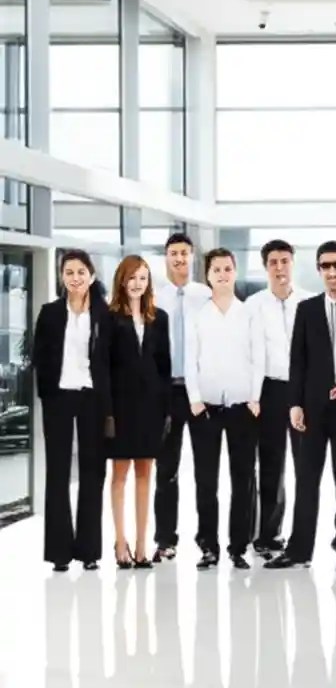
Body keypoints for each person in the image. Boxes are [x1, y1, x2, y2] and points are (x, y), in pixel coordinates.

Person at [266, 241, 336, 569]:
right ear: (318, 270)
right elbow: (297, 361)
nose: (332, 272)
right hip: (313, 409)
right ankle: (299, 549)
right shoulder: (308, 309)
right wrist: (295, 404)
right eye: (325, 266)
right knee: (306, 480)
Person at [185, 248, 265, 570]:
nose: (222, 274)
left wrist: (255, 397)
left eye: (227, 269)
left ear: (235, 272)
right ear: (207, 275)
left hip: (242, 406)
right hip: (205, 406)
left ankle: (238, 547)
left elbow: (258, 358)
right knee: (206, 480)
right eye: (216, 269)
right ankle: (208, 546)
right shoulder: (198, 315)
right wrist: (194, 398)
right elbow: (190, 360)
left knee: (243, 479)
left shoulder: (248, 314)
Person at [34, 249, 112, 572]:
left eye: (81, 272)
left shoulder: (105, 313)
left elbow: (112, 360)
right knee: (57, 472)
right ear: (62, 277)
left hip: (93, 399)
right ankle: (59, 553)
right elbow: (39, 357)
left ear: (91, 275)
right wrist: (47, 395)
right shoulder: (50, 313)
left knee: (93, 472)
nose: (75, 278)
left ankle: (89, 551)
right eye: (69, 272)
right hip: (59, 398)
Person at [104, 256, 172, 570]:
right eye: (132, 277)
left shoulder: (159, 318)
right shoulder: (108, 318)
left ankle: (142, 544)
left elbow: (164, 366)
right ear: (122, 280)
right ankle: (121, 541)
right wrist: (107, 410)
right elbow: (103, 366)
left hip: (150, 407)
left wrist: (165, 407)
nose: (137, 284)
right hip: (120, 407)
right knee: (120, 474)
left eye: (143, 278)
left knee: (145, 473)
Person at [244, 239, 310, 559]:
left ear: (293, 263)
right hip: (269, 390)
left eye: (285, 261)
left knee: (306, 466)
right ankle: (269, 536)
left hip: (303, 391)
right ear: (265, 267)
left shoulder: (309, 302)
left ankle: (303, 536)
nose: (280, 267)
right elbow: (247, 353)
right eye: (273, 262)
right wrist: (252, 395)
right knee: (271, 465)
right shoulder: (253, 305)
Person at [151, 232, 212, 563]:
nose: (179, 258)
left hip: (200, 392)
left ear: (192, 256)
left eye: (184, 253)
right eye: (173, 253)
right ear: (167, 257)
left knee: (206, 471)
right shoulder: (156, 297)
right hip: (167, 392)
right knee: (166, 470)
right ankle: (165, 540)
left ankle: (207, 541)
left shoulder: (205, 295)